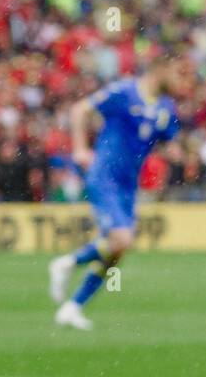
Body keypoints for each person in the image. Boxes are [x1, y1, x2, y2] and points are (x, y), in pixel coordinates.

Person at [48, 55, 193, 329]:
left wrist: (182, 154)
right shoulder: (125, 92)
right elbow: (80, 110)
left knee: (116, 252)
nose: (182, 81)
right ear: (160, 68)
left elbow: (167, 143)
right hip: (104, 177)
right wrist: (80, 148)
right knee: (121, 239)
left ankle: (73, 306)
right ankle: (67, 262)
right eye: (178, 73)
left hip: (128, 186)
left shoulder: (166, 108)